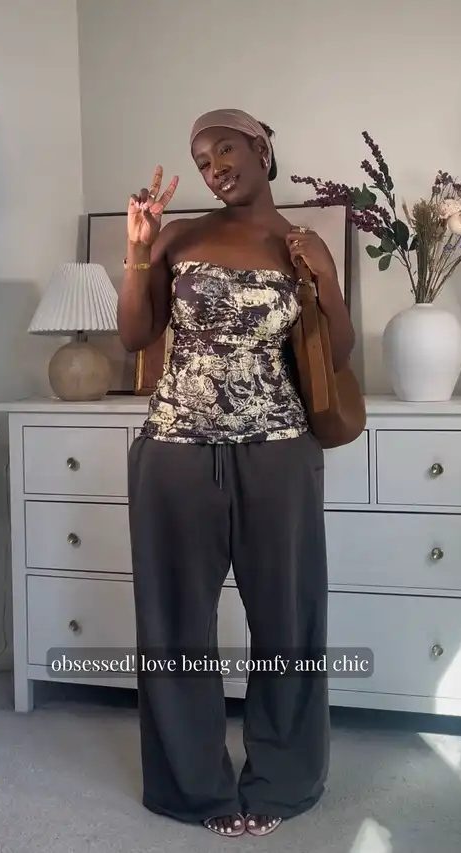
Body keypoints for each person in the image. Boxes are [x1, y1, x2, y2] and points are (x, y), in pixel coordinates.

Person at [117, 109, 356, 838]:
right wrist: (138, 253)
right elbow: (134, 333)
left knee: (288, 619)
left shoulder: (302, 242)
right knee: (175, 625)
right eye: (201, 159)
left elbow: (338, 351)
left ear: (261, 149)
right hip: (175, 451)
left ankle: (282, 780)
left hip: (278, 451)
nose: (214, 167)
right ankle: (193, 788)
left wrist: (323, 275)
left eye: (225, 149)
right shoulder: (179, 237)